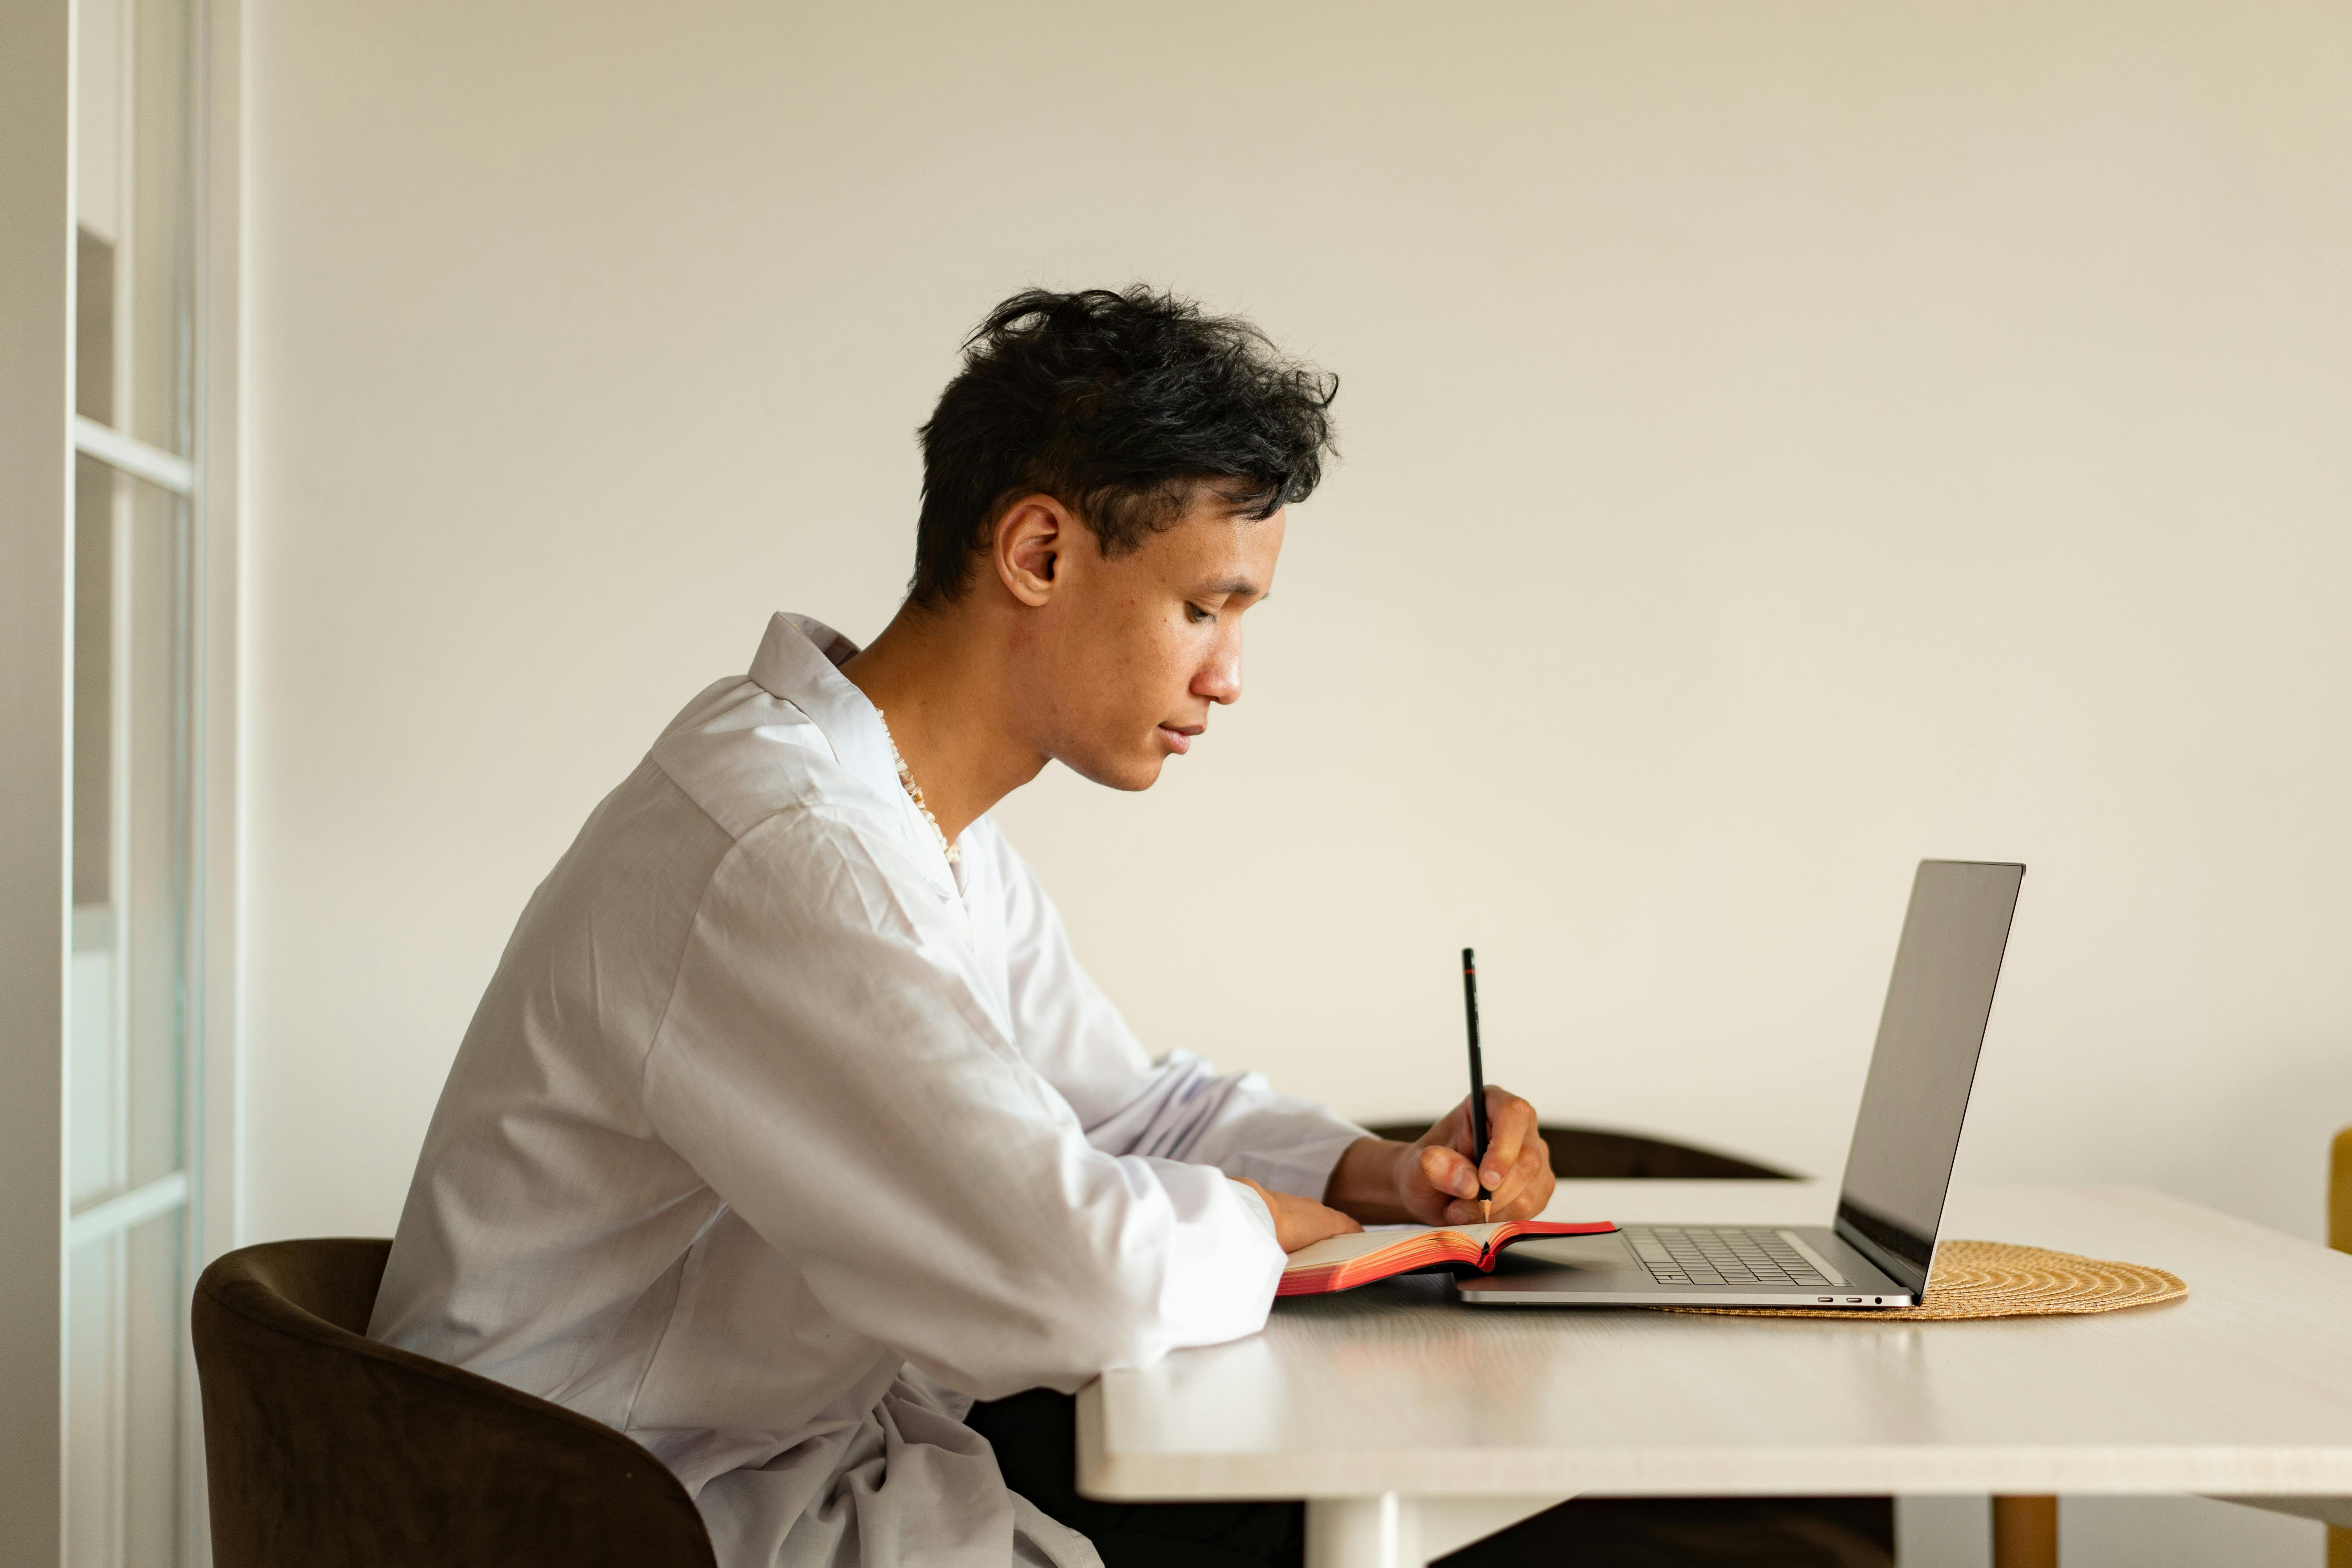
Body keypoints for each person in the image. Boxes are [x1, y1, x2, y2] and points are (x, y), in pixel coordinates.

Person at [368, 286, 1559, 1568]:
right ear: (1039, 554)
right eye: (1204, 609)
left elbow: (1122, 1113)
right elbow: (1074, 1278)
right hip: (604, 1511)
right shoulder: (789, 848)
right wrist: (1259, 1227)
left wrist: (1374, 1177)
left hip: (749, 1458)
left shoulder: (911, 825)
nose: (1226, 677)